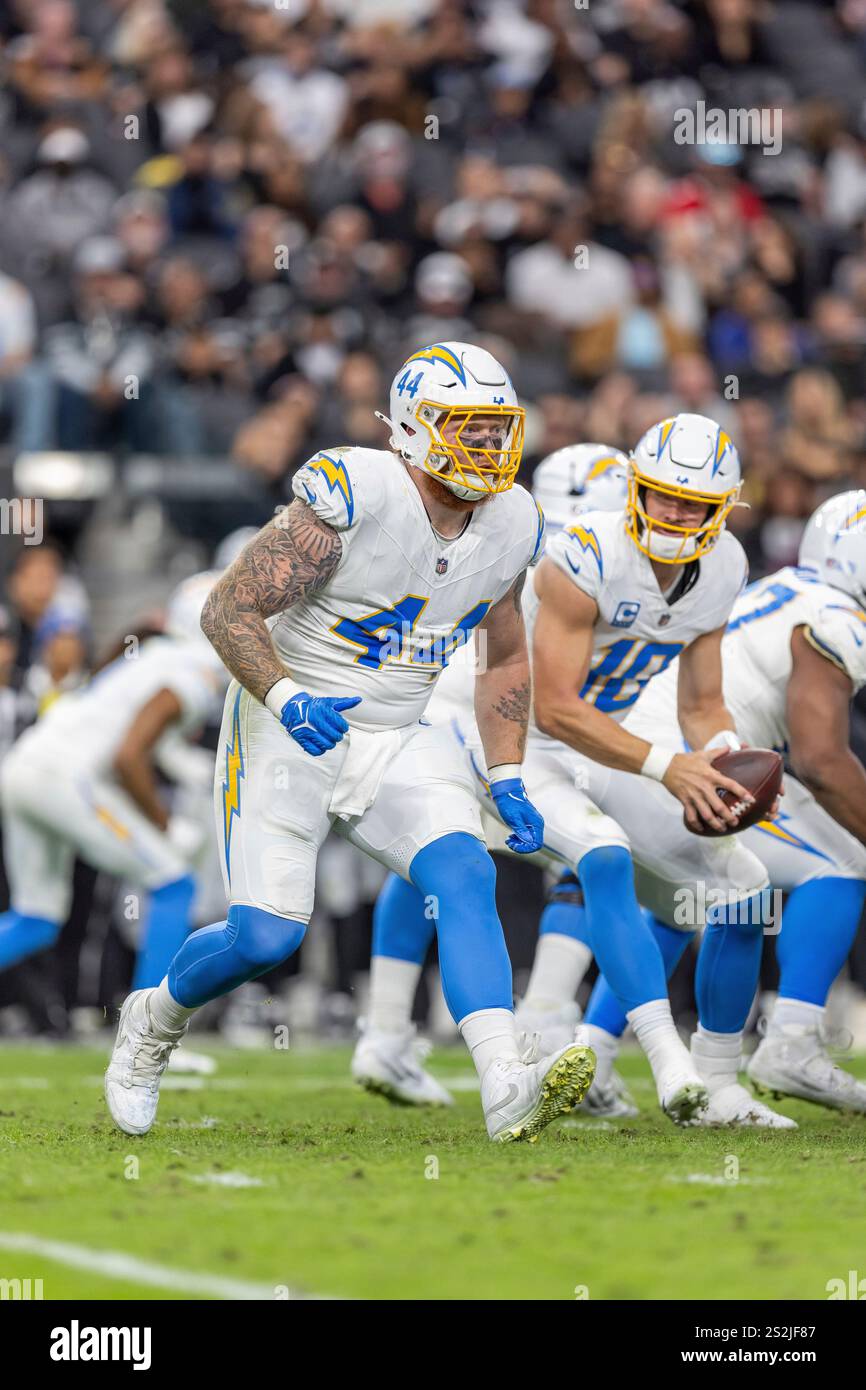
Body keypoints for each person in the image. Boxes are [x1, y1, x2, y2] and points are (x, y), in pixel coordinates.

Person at [105, 341, 595, 1142]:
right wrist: (289, 695)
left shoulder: (513, 523)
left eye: (497, 429)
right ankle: (151, 1023)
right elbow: (229, 609)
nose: (488, 448)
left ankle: (507, 1081)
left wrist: (506, 772)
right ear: (412, 427)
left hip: (399, 731)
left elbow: (503, 651)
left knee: (465, 869)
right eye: (467, 428)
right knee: (264, 937)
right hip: (287, 721)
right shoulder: (355, 493)